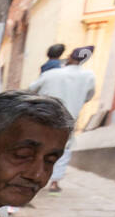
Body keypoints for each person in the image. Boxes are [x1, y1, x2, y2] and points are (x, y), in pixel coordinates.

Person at [28, 46, 95, 192]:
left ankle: (29, 176)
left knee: (36, 145)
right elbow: (89, 96)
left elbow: (31, 89)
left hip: (43, 116)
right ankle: (54, 182)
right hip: (68, 118)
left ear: (70, 57)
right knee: (64, 148)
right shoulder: (89, 76)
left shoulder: (51, 74)